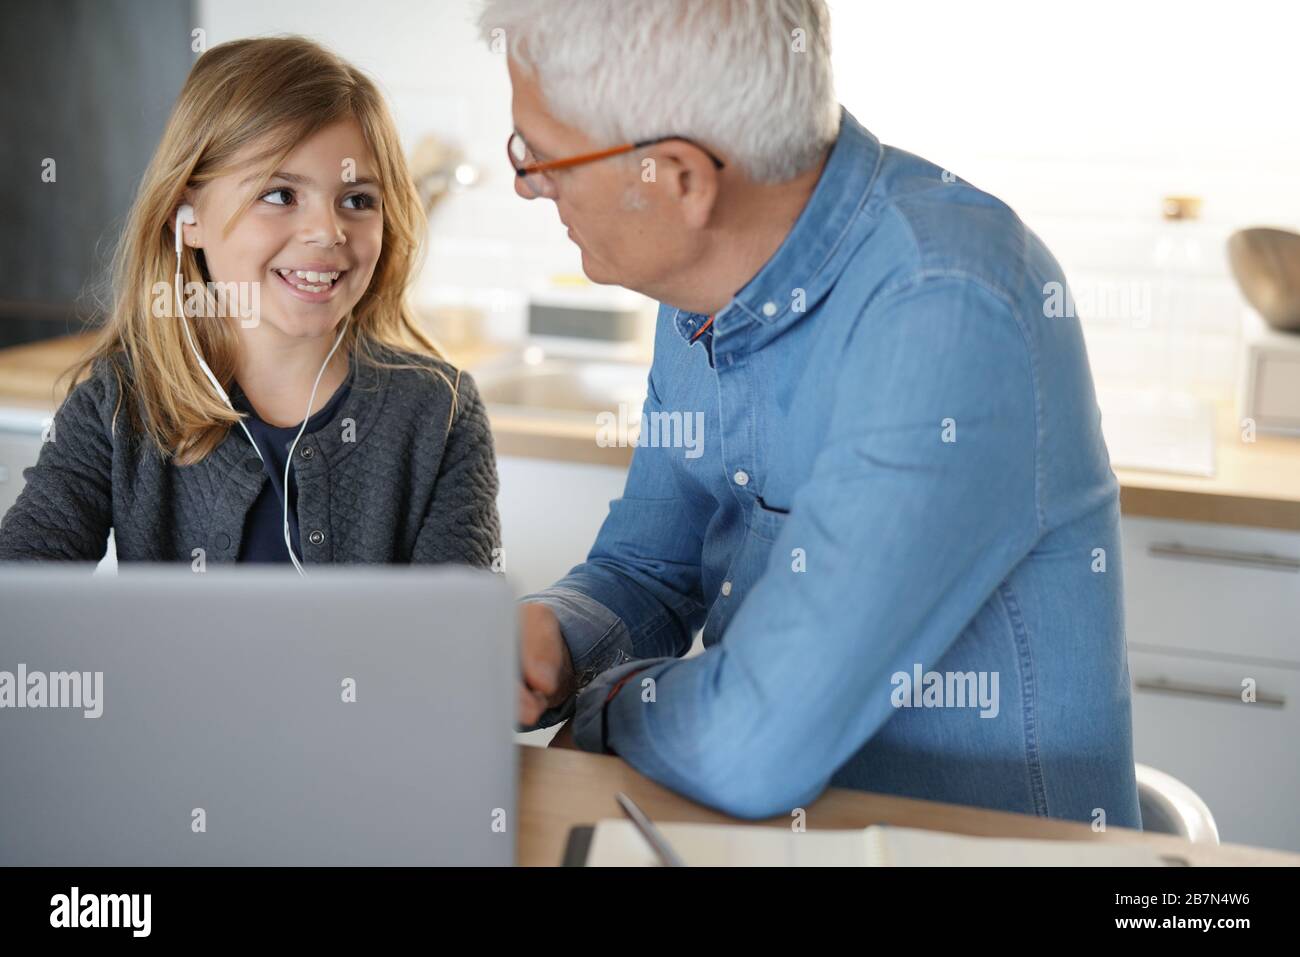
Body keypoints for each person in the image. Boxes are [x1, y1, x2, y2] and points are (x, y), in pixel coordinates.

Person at [488, 0, 1140, 825]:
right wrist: (556, 636)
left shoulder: (946, 303)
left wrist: (609, 698)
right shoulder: (699, 278)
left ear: (680, 178)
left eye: (543, 157)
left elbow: (750, 747)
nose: (527, 184)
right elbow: (651, 569)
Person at [0, 36, 500, 569]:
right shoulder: (118, 406)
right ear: (186, 218)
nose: (327, 232)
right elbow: (21, 599)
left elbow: (457, 636)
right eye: (280, 195)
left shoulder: (441, 413)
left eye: (357, 200)